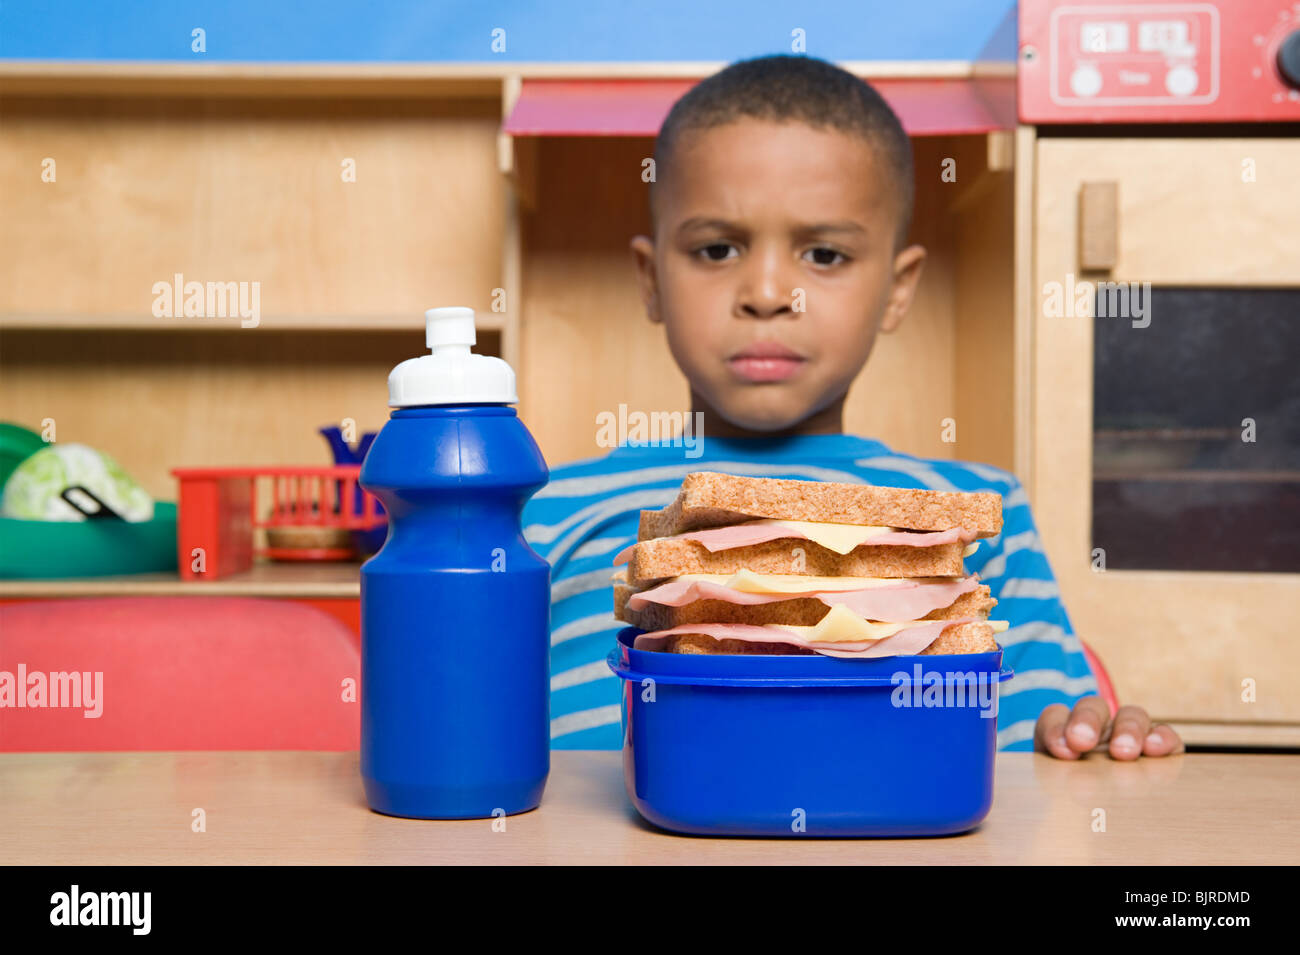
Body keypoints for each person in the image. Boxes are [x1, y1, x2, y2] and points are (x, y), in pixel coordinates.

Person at [522, 54, 1184, 761]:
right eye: (717, 248)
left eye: (825, 255)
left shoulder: (984, 514)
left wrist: (1085, 741)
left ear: (898, 290)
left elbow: (1035, 761)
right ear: (652, 281)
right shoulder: (540, 514)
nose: (770, 292)